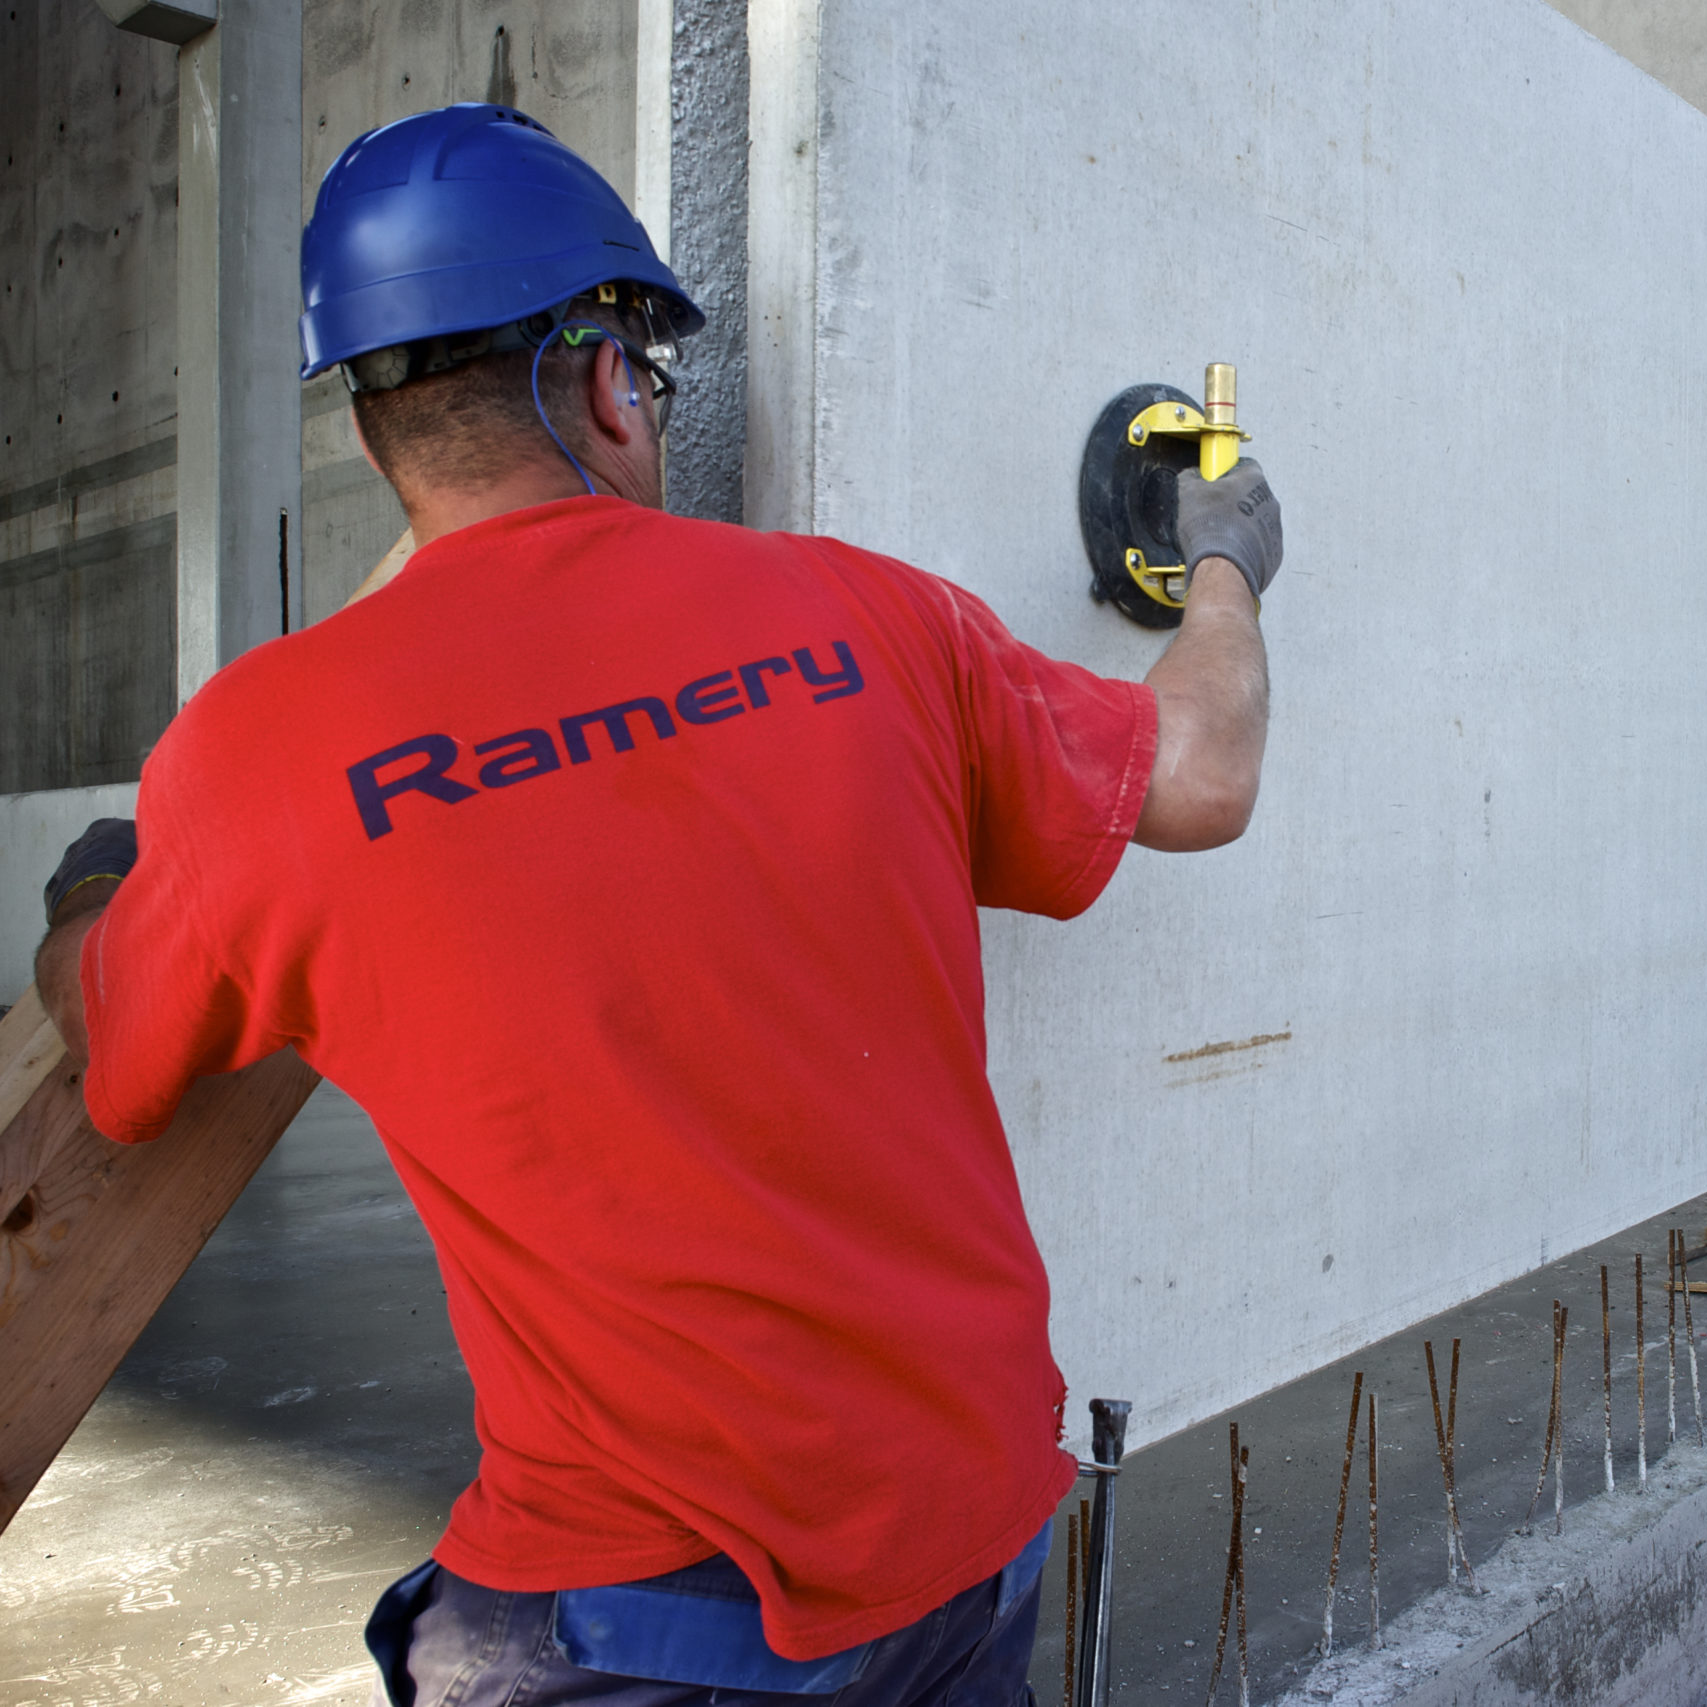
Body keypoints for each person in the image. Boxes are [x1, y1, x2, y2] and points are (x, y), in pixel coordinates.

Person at [32, 104, 1283, 1707]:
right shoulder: (871, 617)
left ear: (371, 435)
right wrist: (1226, 556)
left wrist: (93, 894)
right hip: (967, 1535)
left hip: (640, 1620)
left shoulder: (262, 756)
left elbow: (118, 1058)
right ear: (614, 378)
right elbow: (1201, 769)